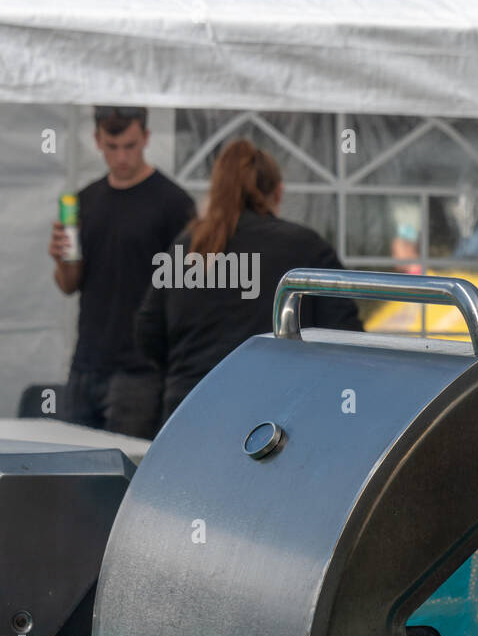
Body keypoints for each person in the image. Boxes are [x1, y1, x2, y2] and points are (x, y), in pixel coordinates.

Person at [135, 139, 362, 424]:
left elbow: (147, 331)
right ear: (277, 193)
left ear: (215, 191)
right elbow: (346, 336)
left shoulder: (186, 248)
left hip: (189, 411)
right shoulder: (306, 247)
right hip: (275, 415)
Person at [48, 105, 195, 438]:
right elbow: (69, 285)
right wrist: (61, 259)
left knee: (126, 474)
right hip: (86, 362)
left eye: (130, 146)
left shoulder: (174, 203)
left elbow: (190, 289)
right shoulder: (86, 200)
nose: (121, 157)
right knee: (75, 473)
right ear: (97, 140)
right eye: (112, 148)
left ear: (145, 137)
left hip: (141, 369)